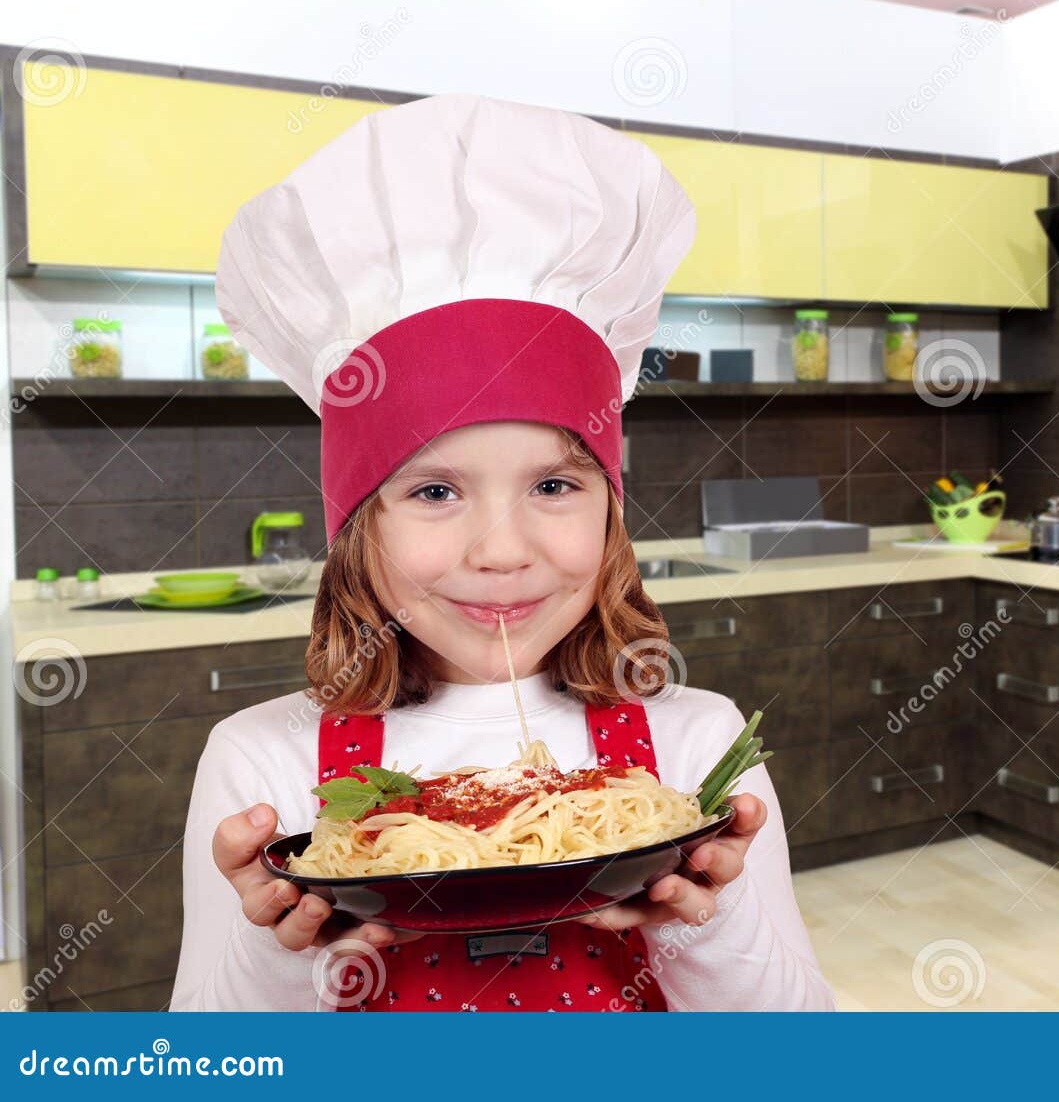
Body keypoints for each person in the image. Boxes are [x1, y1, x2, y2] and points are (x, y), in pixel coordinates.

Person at [169, 94, 834, 1012]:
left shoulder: (694, 747)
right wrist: (286, 948)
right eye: (434, 492)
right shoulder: (261, 765)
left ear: (611, 513)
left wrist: (700, 915)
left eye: (554, 486)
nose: (502, 550)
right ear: (357, 526)